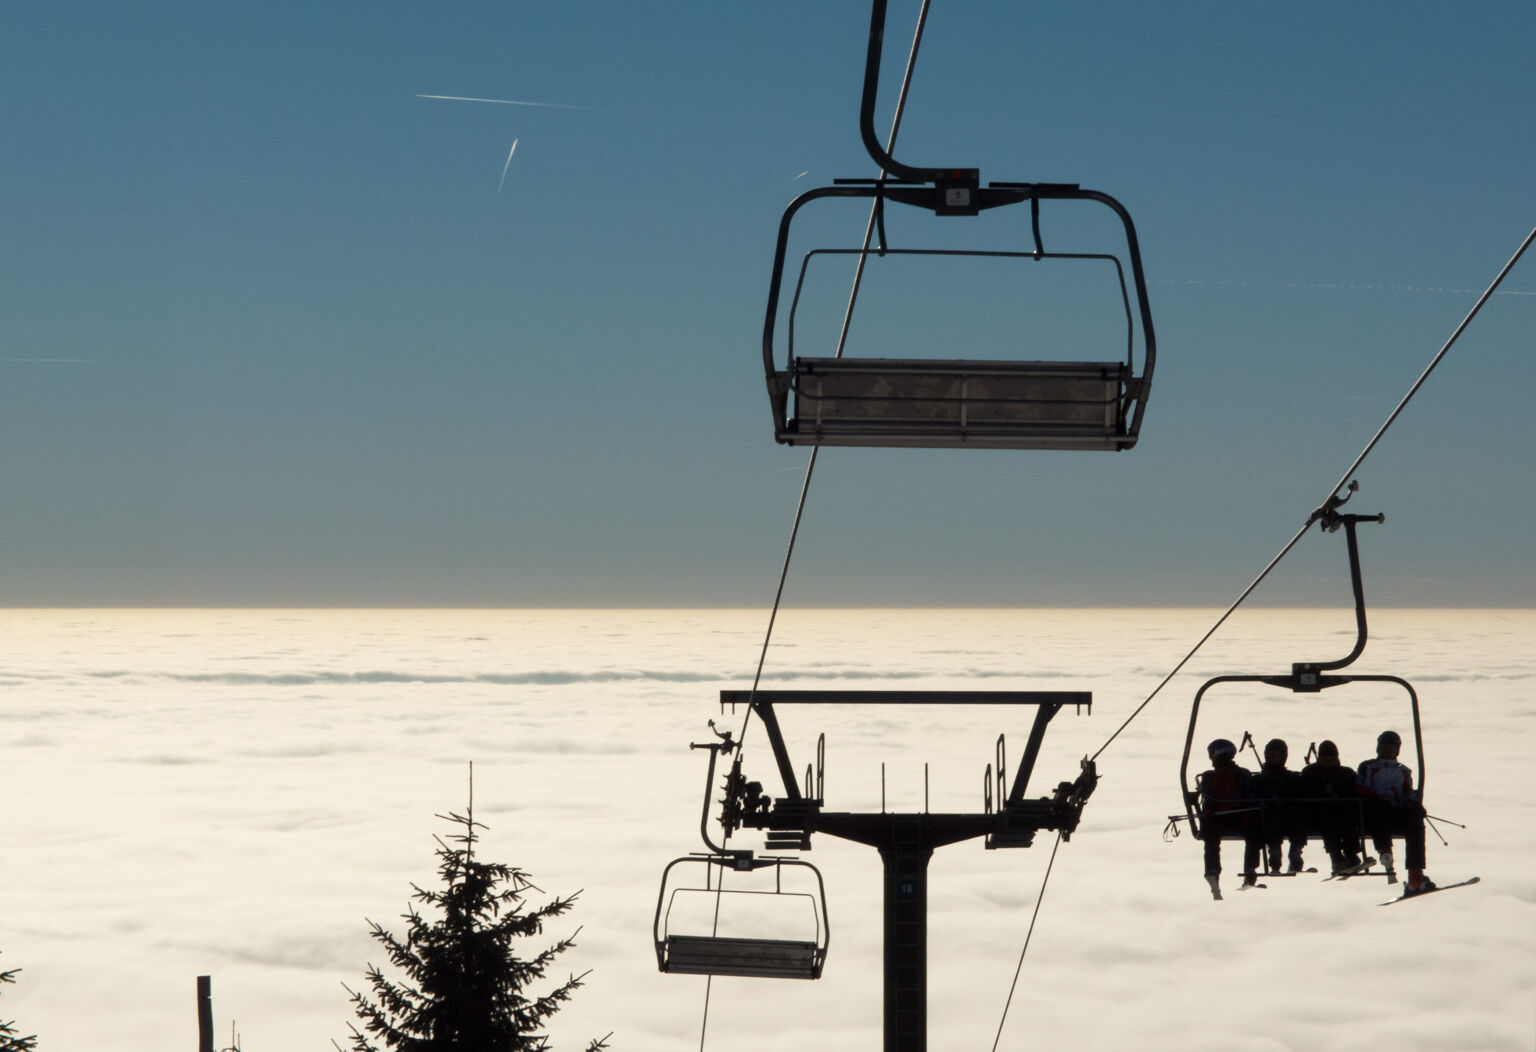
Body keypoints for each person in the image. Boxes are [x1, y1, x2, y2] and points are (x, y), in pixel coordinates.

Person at [1357, 730, 1436, 894]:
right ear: (1378, 747)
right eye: (1384, 745)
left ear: (1397, 749)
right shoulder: (1368, 767)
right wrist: (1378, 796)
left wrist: (1413, 804)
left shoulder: (1404, 771)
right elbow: (1360, 788)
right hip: (1375, 811)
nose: (1387, 749)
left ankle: (1415, 874)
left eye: (1391, 746)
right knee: (1379, 808)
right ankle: (1385, 852)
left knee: (1414, 821)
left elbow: (1408, 793)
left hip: (1396, 812)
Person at [1196, 738, 1262, 899]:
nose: (1211, 758)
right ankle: (1250, 869)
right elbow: (1250, 796)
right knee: (1253, 834)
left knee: (1211, 839)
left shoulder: (1208, 776)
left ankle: (1212, 870)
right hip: (1240, 819)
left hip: (1217, 820)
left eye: (1212, 754)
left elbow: (1207, 799)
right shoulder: (1243, 774)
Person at [1300, 739, 1365, 874]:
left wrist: (1339, 794)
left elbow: (1356, 792)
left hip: (1343, 813)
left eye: (1332, 760)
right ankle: (1336, 856)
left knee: (1345, 816)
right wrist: (1323, 792)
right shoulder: (1311, 773)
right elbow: (1305, 793)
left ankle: (1351, 853)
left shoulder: (1346, 773)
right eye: (1326, 760)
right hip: (1317, 815)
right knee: (1329, 816)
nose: (1329, 763)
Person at [1255, 738, 1308, 874]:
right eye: (1272, 755)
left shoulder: (1293, 778)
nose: (1274, 758)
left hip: (1291, 816)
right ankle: (1275, 856)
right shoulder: (1260, 779)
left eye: (1277, 755)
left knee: (1299, 812)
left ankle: (1295, 853)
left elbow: (1300, 795)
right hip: (1270, 816)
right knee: (1273, 814)